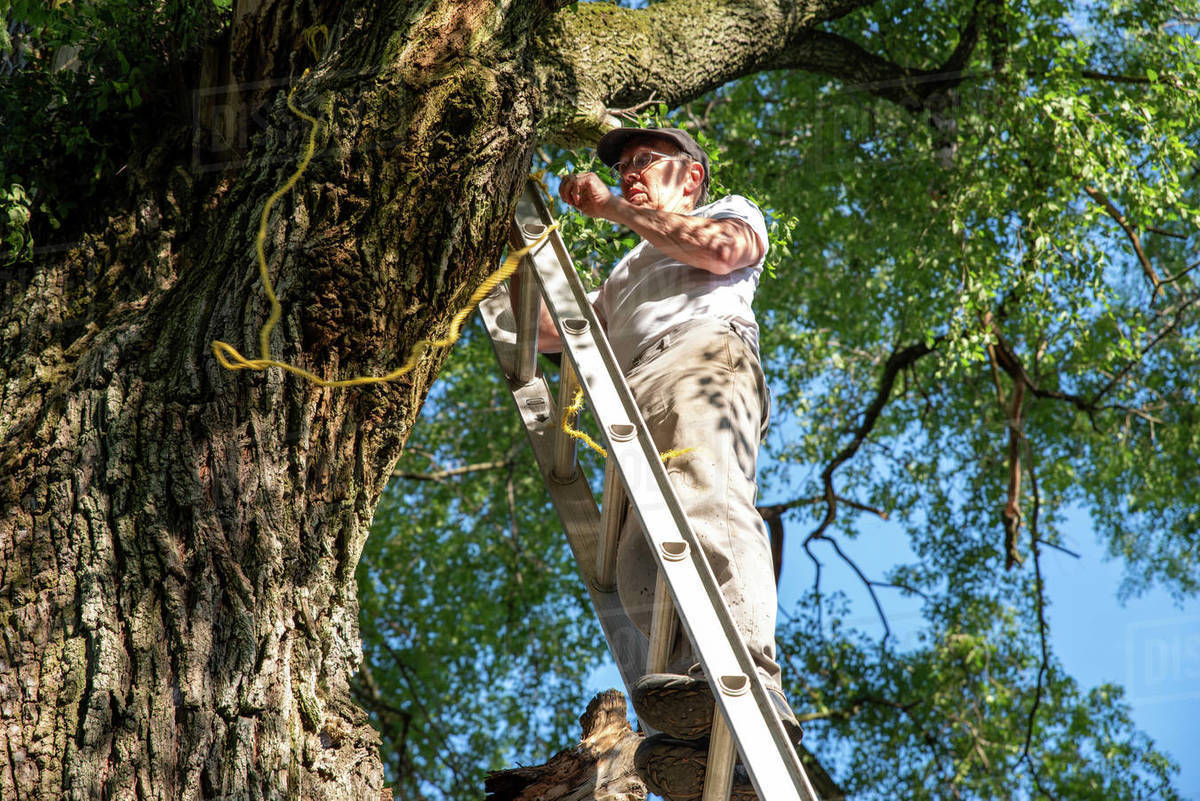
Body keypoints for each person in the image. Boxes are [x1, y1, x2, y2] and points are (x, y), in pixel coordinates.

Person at [542, 127, 799, 799]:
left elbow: (719, 254)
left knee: (707, 504)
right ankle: (702, 733)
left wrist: (610, 209)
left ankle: (753, 685)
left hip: (703, 360)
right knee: (640, 568)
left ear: (690, 177)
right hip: (628, 399)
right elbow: (546, 329)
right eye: (622, 167)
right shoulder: (622, 276)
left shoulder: (731, 213)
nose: (629, 172)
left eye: (644, 162)